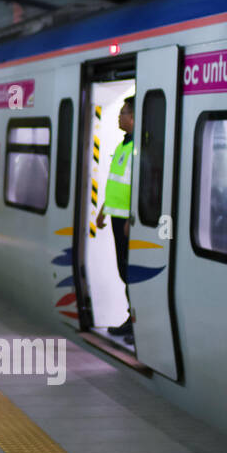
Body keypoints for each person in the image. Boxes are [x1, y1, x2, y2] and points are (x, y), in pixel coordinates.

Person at [96, 95, 135, 342]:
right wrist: (102, 210)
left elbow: (140, 187)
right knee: (124, 271)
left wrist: (134, 221)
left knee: (132, 273)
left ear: (133, 118)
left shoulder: (137, 148)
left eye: (123, 112)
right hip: (116, 217)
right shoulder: (123, 146)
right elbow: (115, 185)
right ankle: (131, 320)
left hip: (128, 222)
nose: (119, 116)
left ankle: (137, 324)